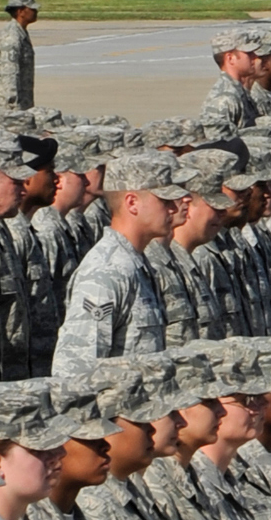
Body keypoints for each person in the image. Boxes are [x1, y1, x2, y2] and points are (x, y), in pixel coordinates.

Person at [51, 151, 185, 374]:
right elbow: (76, 374)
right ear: (132, 203)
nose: (174, 208)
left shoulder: (136, 262)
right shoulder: (107, 271)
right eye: (165, 200)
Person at [0, 0, 36, 118]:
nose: (36, 11)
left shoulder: (21, 32)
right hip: (8, 105)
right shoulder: (11, 37)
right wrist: (14, 105)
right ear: (20, 11)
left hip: (22, 100)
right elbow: (9, 73)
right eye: (31, 8)